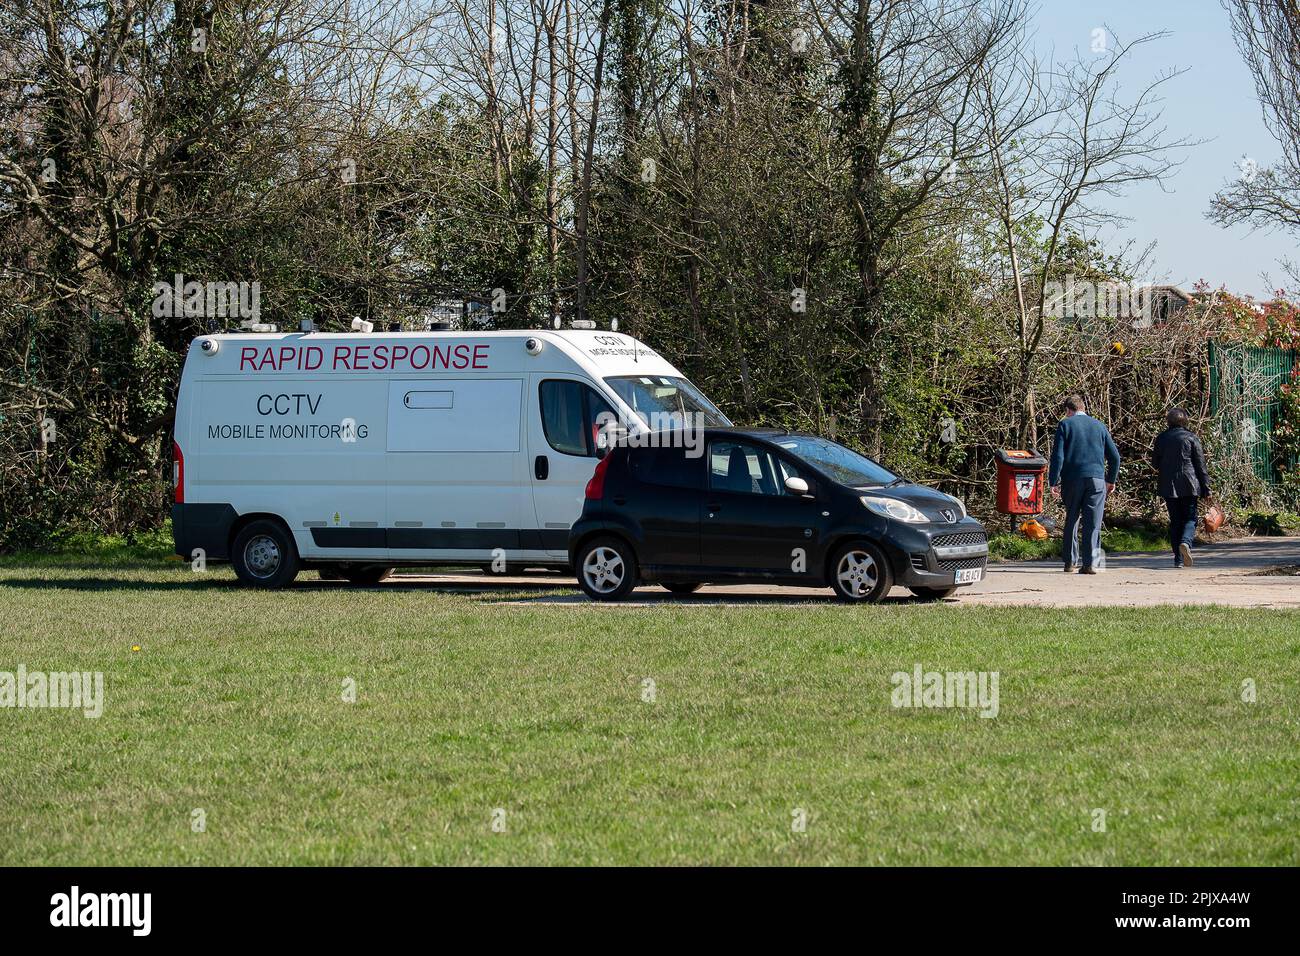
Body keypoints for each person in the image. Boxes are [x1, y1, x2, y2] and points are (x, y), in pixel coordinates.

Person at [1049, 394, 1121, 574]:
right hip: (1096, 480)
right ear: (1083, 408)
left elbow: (1058, 456)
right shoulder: (1099, 426)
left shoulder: (1065, 424)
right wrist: (1110, 480)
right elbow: (1115, 457)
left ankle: (1069, 562)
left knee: (1072, 519)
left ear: (1068, 410)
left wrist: (1053, 481)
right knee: (1093, 522)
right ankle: (1090, 563)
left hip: (1072, 479)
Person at [1150, 407, 1211, 568]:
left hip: (1169, 485)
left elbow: (1155, 463)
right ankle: (1186, 542)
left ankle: (1178, 559)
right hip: (1190, 484)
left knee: (1175, 521)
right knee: (1190, 518)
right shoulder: (1191, 438)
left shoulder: (1161, 438)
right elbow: (1200, 465)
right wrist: (1206, 488)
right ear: (1185, 421)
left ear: (1168, 422)